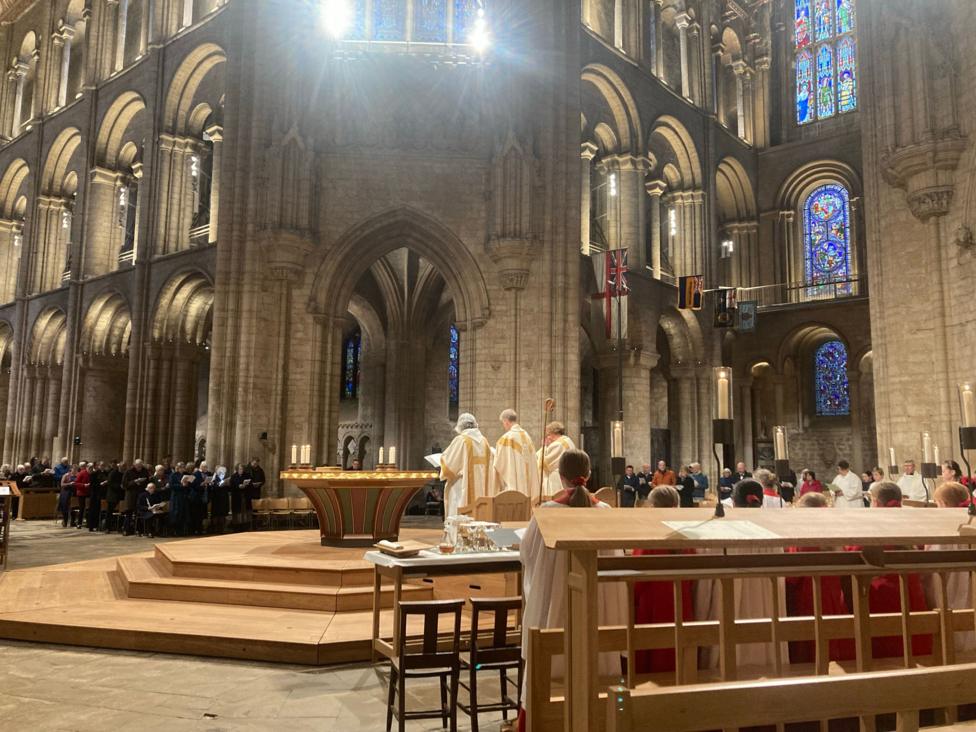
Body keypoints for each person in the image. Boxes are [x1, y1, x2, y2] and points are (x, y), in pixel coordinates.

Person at [518, 449, 625, 729]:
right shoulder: (605, 512)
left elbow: (526, 555)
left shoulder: (546, 512)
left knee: (550, 671)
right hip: (597, 611)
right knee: (600, 672)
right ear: (588, 474)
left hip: (554, 608)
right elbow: (617, 561)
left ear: (560, 475)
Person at [697, 478, 785, 669]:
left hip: (729, 607)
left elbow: (706, 582)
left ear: (733, 502)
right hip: (767, 611)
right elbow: (780, 582)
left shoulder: (720, 530)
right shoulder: (772, 531)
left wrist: (700, 615)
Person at [848, 483, 931, 659]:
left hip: (883, 592)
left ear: (875, 502)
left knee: (886, 643)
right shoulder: (913, 521)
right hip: (911, 587)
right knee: (913, 640)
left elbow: (855, 552)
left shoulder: (873, 525)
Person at [786, 492, 855, 664]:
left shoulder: (802, 537)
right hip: (832, 589)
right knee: (833, 627)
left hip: (808, 591)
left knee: (811, 631)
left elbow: (794, 575)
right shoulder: (834, 534)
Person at [633, 483, 694, 673]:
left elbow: (637, 573)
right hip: (681, 598)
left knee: (653, 646)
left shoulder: (649, 534)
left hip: (652, 599)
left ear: (652, 506)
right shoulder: (687, 535)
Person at [925, 481, 976, 653]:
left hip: (947, 589)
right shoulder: (971, 524)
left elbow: (929, 572)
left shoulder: (942, 532)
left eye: (937, 504)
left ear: (944, 504)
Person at [439, 412, 492, 517]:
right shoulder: (484, 442)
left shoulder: (461, 440)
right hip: (482, 486)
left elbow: (449, 464)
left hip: (462, 485)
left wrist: (442, 460)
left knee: (461, 513)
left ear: (460, 426)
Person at [492, 409, 538, 497]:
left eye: (503, 423)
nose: (504, 426)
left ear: (506, 421)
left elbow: (498, 465)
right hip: (529, 485)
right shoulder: (527, 436)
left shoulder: (506, 438)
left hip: (515, 485)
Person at [536, 421, 576, 499]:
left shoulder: (557, 444)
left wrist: (545, 446)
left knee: (556, 500)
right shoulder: (568, 440)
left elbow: (544, 464)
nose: (548, 437)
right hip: (568, 477)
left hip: (557, 480)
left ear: (552, 433)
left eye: (548, 434)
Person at [122, 459, 150, 535]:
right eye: (138, 466)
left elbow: (148, 482)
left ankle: (139, 530)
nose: (139, 467)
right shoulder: (128, 472)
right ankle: (126, 530)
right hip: (131, 495)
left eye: (141, 466)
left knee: (140, 513)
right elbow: (124, 484)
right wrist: (135, 482)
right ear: (134, 465)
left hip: (141, 494)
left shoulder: (145, 471)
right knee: (129, 513)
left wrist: (142, 482)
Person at [229, 463, 249, 530]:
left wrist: (245, 486)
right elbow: (231, 487)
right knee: (236, 512)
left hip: (243, 496)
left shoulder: (245, 476)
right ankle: (236, 526)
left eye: (242, 469)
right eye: (240, 469)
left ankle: (243, 525)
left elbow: (249, 484)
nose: (241, 470)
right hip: (236, 497)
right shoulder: (233, 476)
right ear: (237, 469)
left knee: (243, 511)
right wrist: (238, 486)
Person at [209, 466, 230, 534]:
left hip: (224, 498)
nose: (223, 473)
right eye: (221, 472)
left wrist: (227, 484)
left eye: (224, 472)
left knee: (223, 514)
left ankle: (222, 528)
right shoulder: (214, 478)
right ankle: (215, 529)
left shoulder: (225, 478)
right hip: (217, 499)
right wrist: (218, 485)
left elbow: (229, 489)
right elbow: (213, 487)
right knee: (216, 514)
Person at [73, 461, 91, 528]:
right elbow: (76, 483)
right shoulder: (81, 473)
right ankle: (79, 523)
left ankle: (88, 523)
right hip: (81, 493)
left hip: (88, 493)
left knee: (88, 509)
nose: (91, 469)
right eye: (90, 468)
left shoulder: (91, 474)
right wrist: (84, 485)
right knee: (82, 508)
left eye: (92, 468)